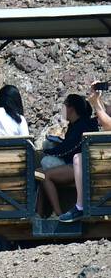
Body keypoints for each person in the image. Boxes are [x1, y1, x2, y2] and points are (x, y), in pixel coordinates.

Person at [52, 89, 105, 222]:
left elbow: (69, 148)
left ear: (71, 108)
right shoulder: (75, 125)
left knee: (46, 173)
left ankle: (58, 214)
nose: (62, 109)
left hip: (83, 166)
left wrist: (46, 152)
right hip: (80, 164)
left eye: (64, 105)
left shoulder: (81, 126)